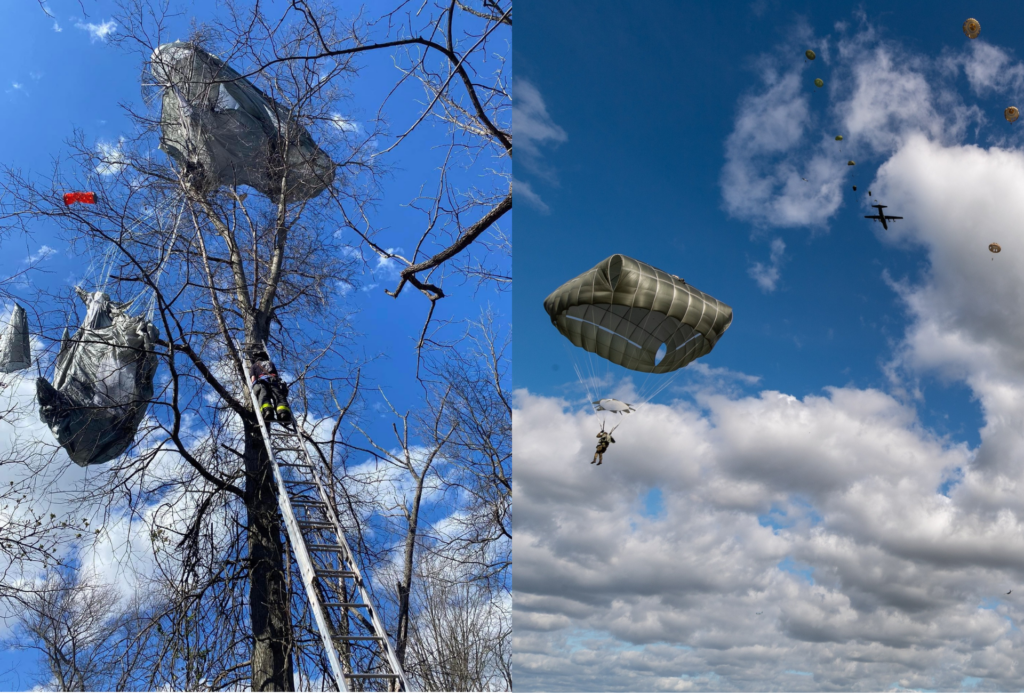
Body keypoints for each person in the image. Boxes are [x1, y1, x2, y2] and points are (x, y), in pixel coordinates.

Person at [250, 351, 293, 426]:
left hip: (262, 382)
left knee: (264, 396)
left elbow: (253, 378)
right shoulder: (270, 363)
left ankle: (267, 412)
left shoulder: (254, 366)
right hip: (274, 381)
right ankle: (283, 414)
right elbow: (276, 374)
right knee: (279, 397)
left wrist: (254, 386)